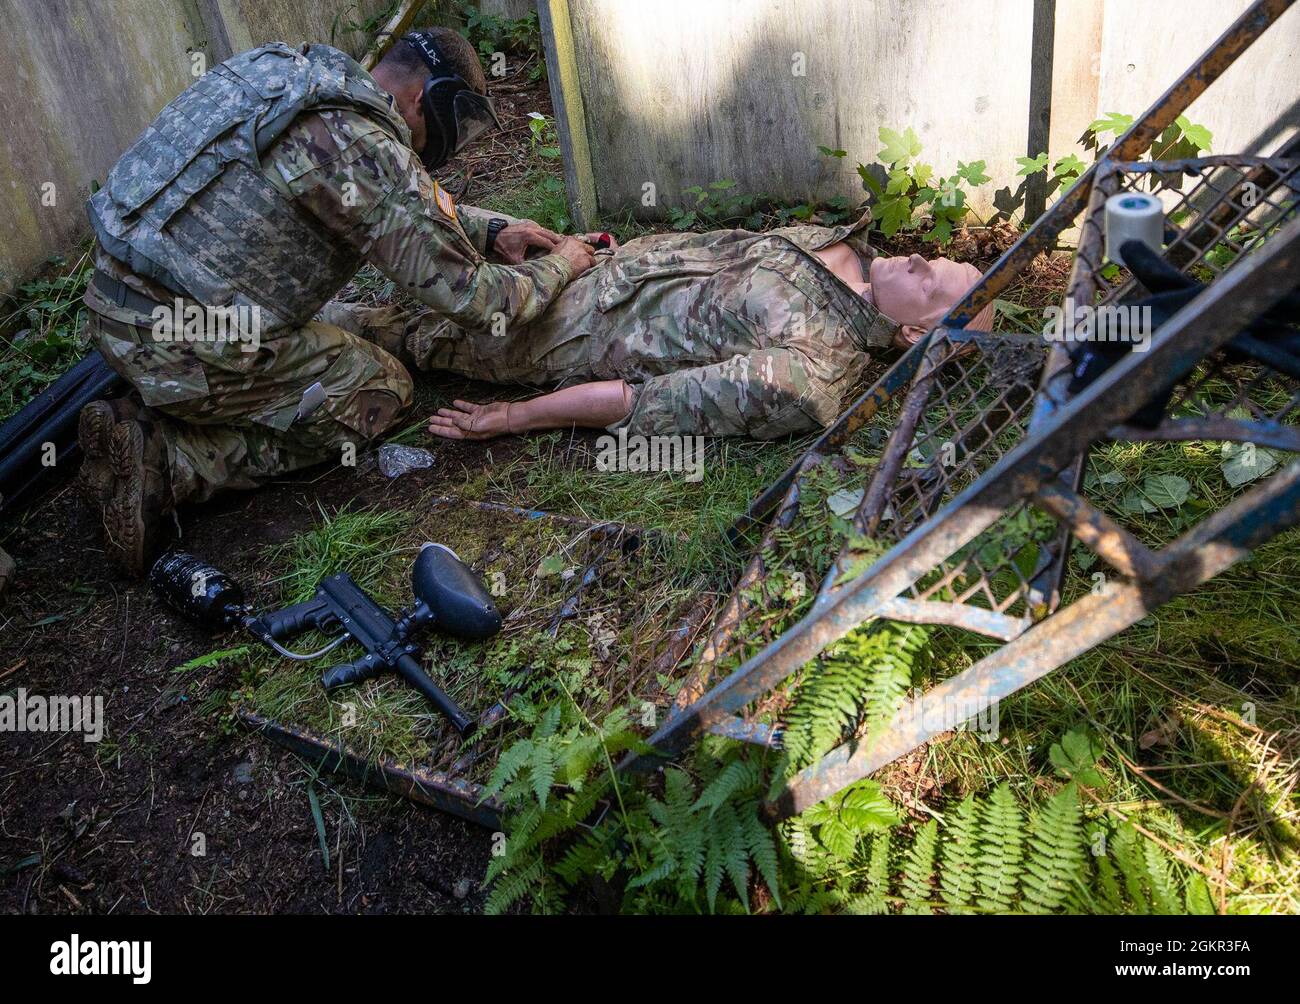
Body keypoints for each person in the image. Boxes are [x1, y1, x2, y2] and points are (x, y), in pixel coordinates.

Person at [76, 28, 600, 575]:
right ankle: (170, 459)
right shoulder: (361, 146)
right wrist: (563, 262)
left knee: (334, 322)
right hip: (187, 347)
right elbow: (480, 300)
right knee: (381, 390)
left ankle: (146, 411)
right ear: (425, 98)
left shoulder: (286, 75)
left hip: (120, 306)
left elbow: (385, 198)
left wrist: (492, 230)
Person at [404, 211, 994, 441]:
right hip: (585, 259)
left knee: (404, 331)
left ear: (916, 336)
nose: (917, 259)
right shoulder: (841, 245)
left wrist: (511, 418)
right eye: (930, 259)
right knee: (413, 242)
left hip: (559, 330)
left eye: (928, 282)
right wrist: (576, 251)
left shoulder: (812, 367)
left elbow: (642, 401)